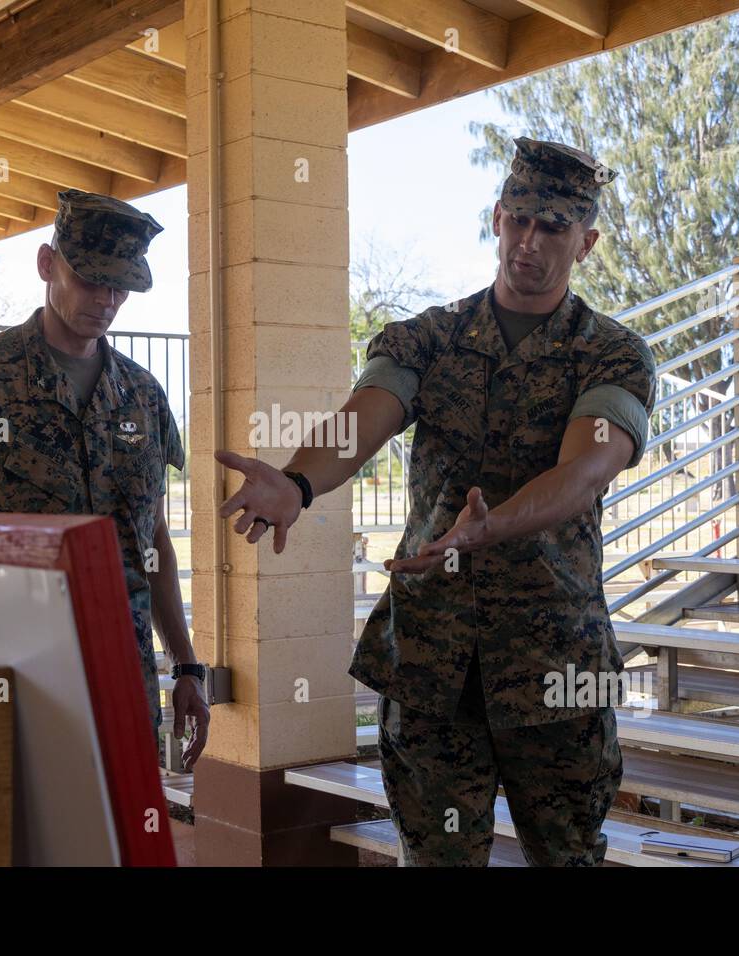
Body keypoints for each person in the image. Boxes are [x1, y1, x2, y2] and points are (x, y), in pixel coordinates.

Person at [216, 138, 656, 865]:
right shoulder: (429, 336)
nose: (529, 242)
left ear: (587, 243)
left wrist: (493, 528)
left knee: (568, 857)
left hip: (554, 663)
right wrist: (298, 483)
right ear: (495, 217)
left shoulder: (610, 353)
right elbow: (369, 414)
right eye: (518, 219)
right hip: (431, 661)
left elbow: (586, 470)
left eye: (552, 228)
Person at [0, 190, 210, 769]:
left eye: (120, 286)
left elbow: (154, 543)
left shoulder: (143, 396)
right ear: (48, 265)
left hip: (122, 674)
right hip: (8, 671)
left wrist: (187, 665)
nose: (106, 299)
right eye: (90, 278)